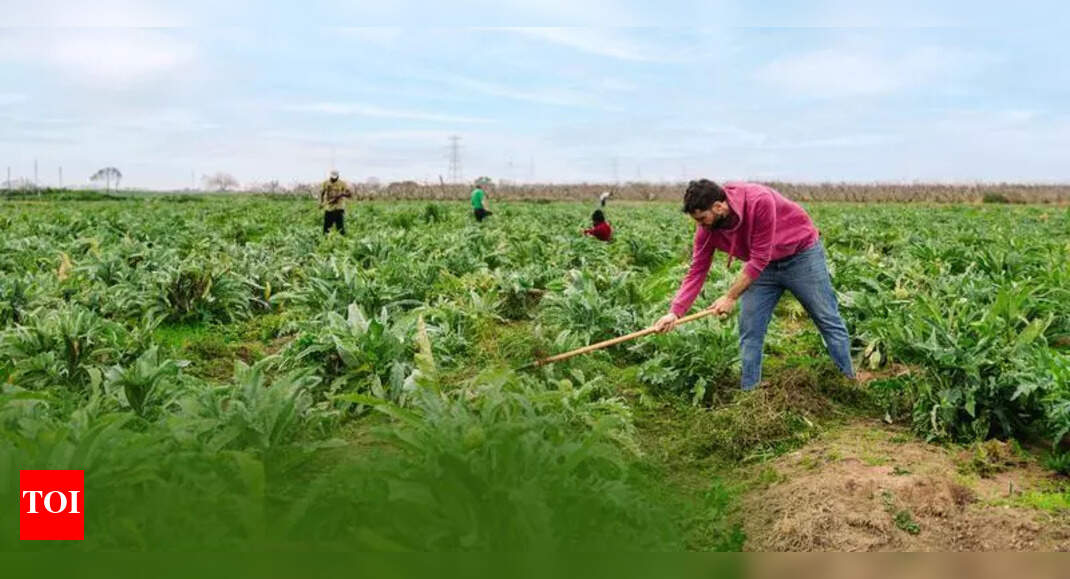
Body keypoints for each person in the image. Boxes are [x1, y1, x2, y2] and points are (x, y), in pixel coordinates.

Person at [652, 179, 855, 390]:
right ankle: (750, 394)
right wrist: (675, 313)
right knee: (750, 329)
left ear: (719, 206)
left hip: (801, 255)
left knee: (827, 318)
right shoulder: (706, 231)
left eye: (703, 219)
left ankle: (848, 383)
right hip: (762, 269)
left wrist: (730, 297)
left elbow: (759, 258)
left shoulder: (759, 201)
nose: (701, 225)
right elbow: (697, 271)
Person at [319, 169, 351, 235]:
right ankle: (325, 241)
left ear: (338, 176)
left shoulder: (342, 183)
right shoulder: (325, 183)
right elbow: (322, 193)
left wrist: (340, 195)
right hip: (329, 208)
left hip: (339, 208)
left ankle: (342, 242)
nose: (333, 179)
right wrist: (321, 202)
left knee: (340, 228)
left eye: (335, 178)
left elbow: (349, 194)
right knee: (326, 228)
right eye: (332, 178)